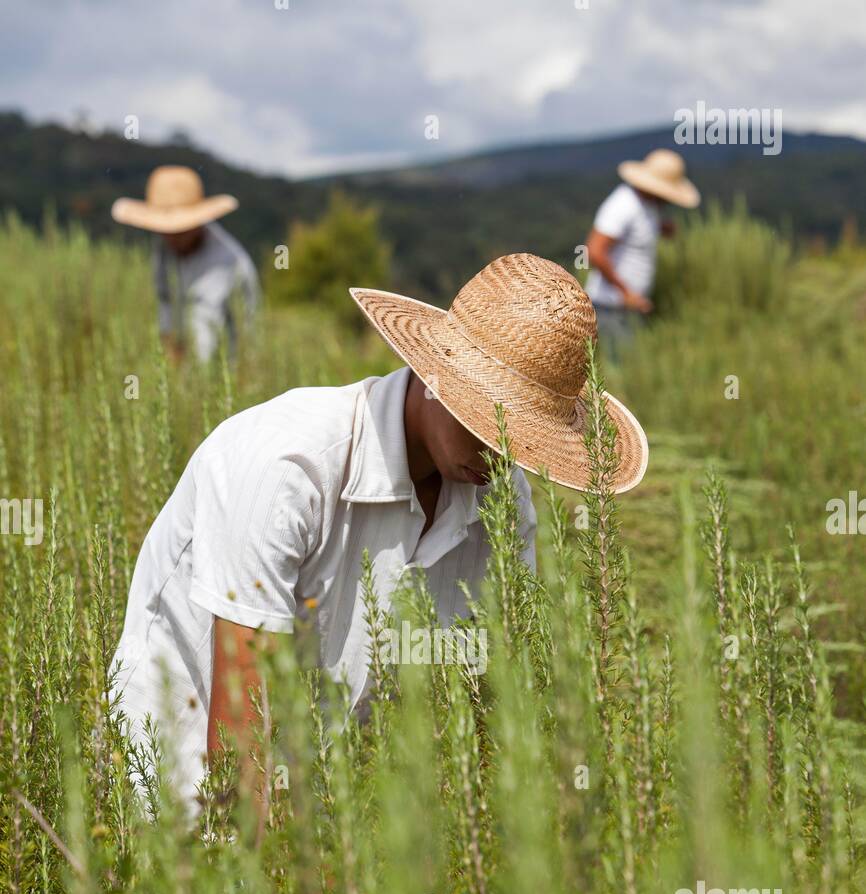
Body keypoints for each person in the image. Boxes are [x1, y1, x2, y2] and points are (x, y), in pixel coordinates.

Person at [109, 253, 648, 809]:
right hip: (180, 759)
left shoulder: (503, 500)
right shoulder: (289, 465)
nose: (499, 455)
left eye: (522, 442)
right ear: (435, 374)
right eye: (484, 423)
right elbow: (240, 712)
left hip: (329, 788)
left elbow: (494, 684)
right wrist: (252, 876)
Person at [111, 165, 259, 362]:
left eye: (181, 230)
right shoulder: (163, 247)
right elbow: (165, 300)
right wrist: (169, 350)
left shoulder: (225, 260)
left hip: (228, 361)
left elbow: (207, 328)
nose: (172, 237)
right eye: (166, 230)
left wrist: (189, 377)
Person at [585, 148, 700, 356]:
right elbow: (595, 251)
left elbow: (635, 233)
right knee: (618, 374)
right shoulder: (623, 205)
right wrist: (625, 292)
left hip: (626, 311)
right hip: (610, 309)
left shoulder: (648, 206)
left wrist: (661, 227)